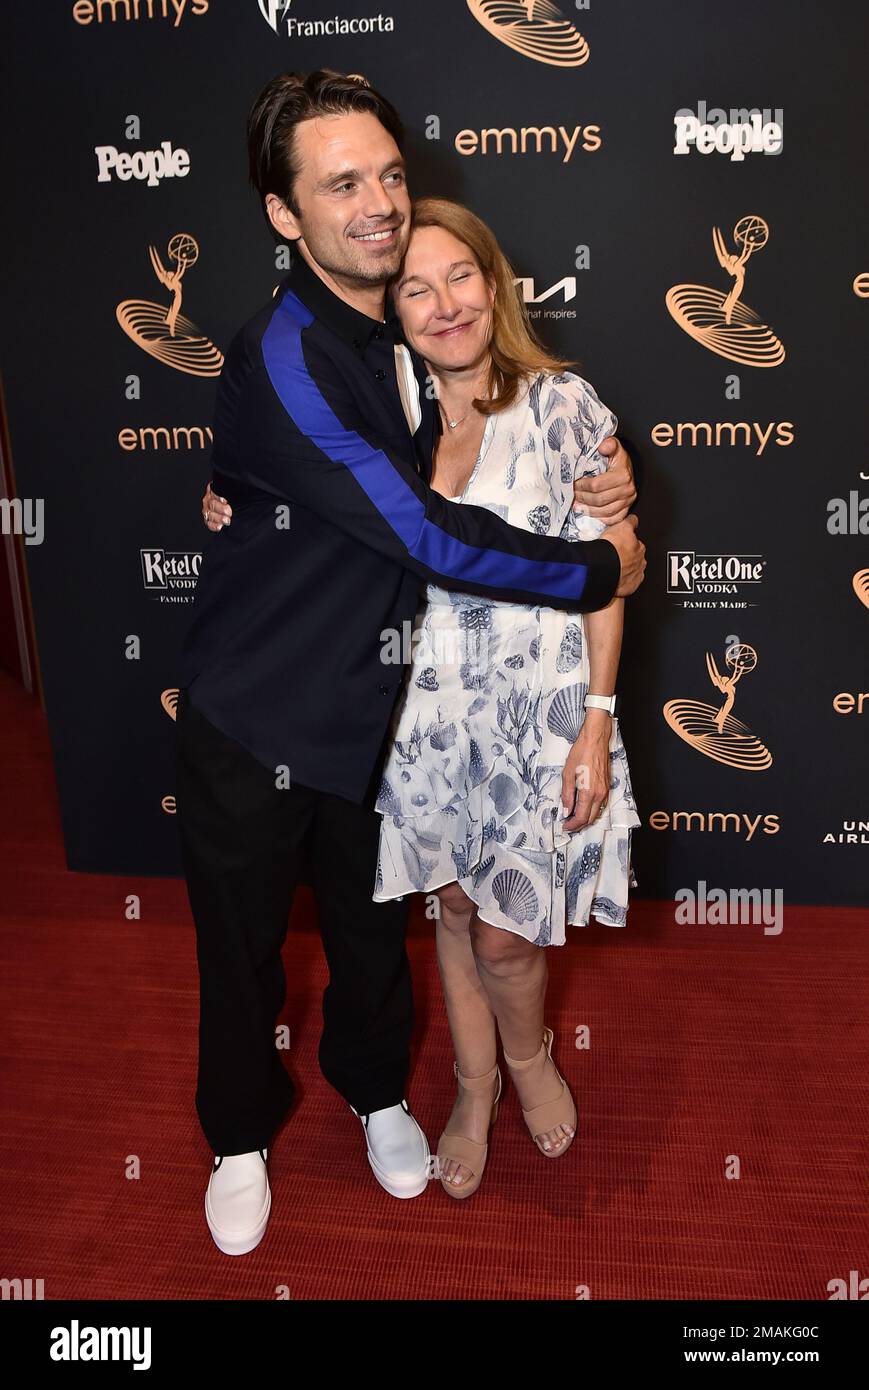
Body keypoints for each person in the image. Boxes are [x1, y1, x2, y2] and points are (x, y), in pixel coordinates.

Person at [181, 69, 645, 1255]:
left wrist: (608, 487)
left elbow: (499, 421)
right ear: (284, 215)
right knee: (239, 951)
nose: (380, 202)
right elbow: (429, 535)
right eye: (343, 184)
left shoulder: (399, 325)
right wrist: (603, 566)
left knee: (368, 927)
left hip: (380, 710)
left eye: (389, 173)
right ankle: (238, 1135)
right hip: (258, 710)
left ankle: (377, 1091)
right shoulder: (285, 356)